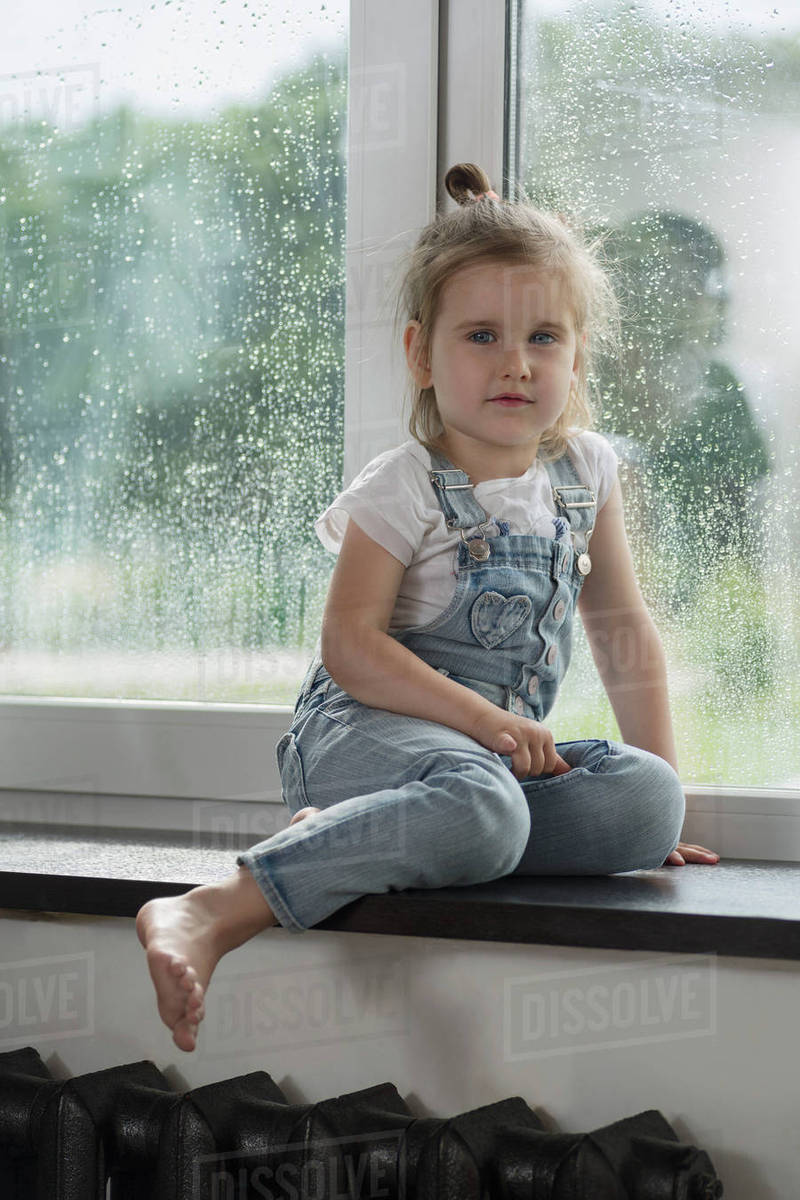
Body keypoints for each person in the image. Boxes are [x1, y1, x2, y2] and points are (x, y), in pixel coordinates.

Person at [136, 163, 720, 1054]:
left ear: (578, 354)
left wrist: (669, 803)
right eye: (482, 335)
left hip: (480, 762)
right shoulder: (404, 484)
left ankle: (375, 835)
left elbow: (620, 628)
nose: (516, 363)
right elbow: (350, 649)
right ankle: (219, 907)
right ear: (421, 352)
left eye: (544, 338)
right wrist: (483, 720)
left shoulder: (587, 472)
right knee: (485, 807)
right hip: (358, 729)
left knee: (642, 802)